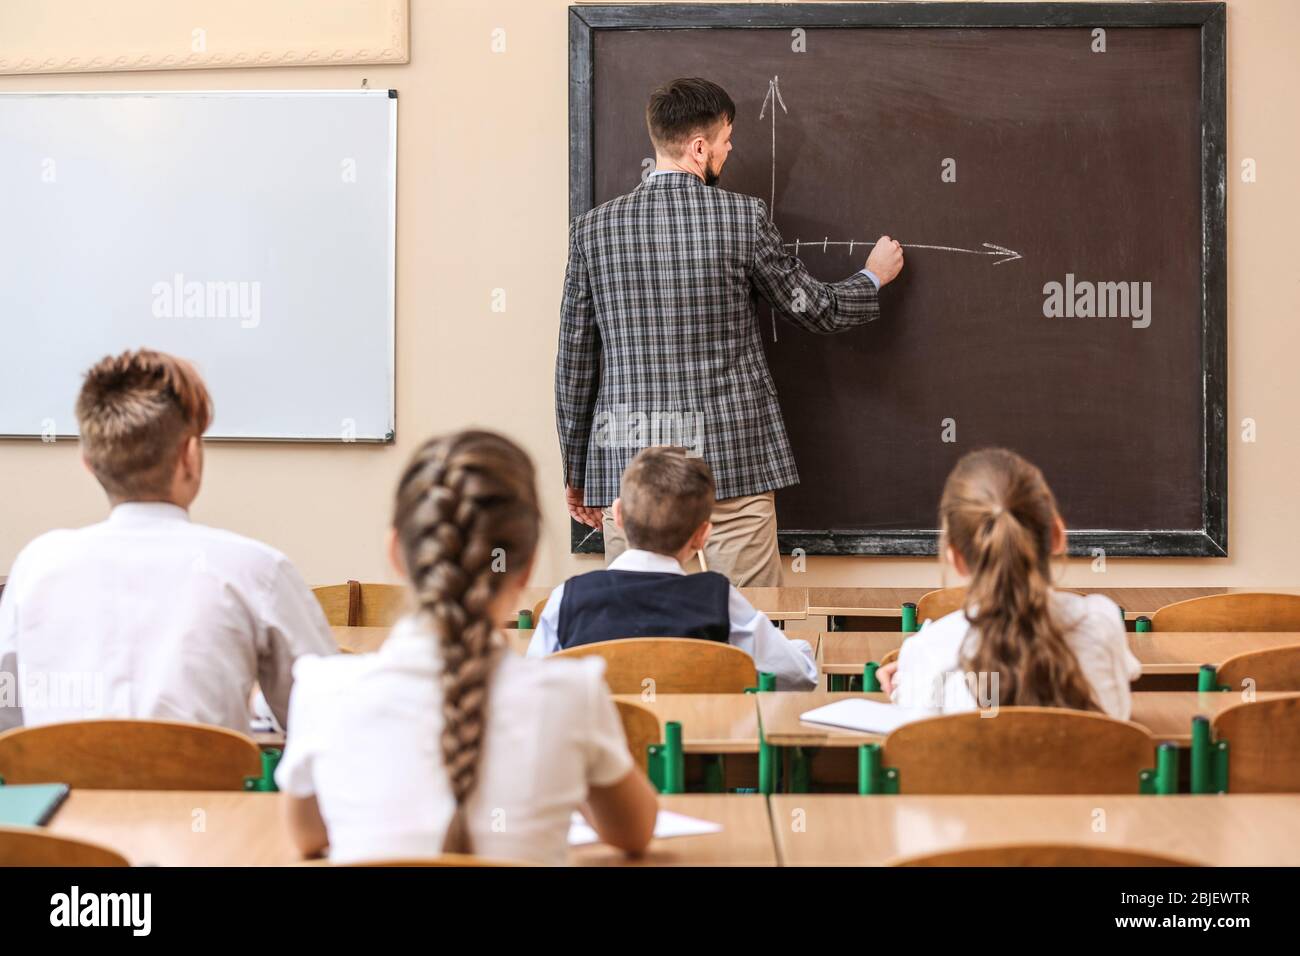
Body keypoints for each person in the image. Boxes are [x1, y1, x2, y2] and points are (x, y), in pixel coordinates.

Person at [557, 77, 904, 586]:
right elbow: (814, 309)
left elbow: (575, 363)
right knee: (747, 635)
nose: (729, 148)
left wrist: (576, 470)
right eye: (725, 139)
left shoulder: (593, 231)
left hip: (628, 476)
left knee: (642, 633)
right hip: (730, 470)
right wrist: (873, 276)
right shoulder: (742, 218)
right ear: (699, 149)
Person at [276, 431, 658, 864]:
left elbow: (306, 838)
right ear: (527, 564)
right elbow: (634, 832)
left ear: (397, 553)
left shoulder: (323, 690)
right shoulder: (572, 695)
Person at [0, 349, 335, 733]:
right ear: (190, 456)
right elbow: (330, 724)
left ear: (89, 462)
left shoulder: (36, 566)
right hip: (208, 793)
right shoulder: (257, 571)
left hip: (66, 792)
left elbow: (9, 724)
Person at [528, 446, 817, 689]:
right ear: (703, 535)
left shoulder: (568, 597)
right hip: (693, 751)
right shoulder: (719, 600)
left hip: (599, 755)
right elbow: (801, 676)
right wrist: (800, 649)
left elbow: (532, 687)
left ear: (617, 515)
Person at [879, 448, 1140, 717]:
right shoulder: (1101, 624)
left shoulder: (927, 652)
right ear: (1057, 536)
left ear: (955, 557)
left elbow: (917, 741)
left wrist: (910, 678)